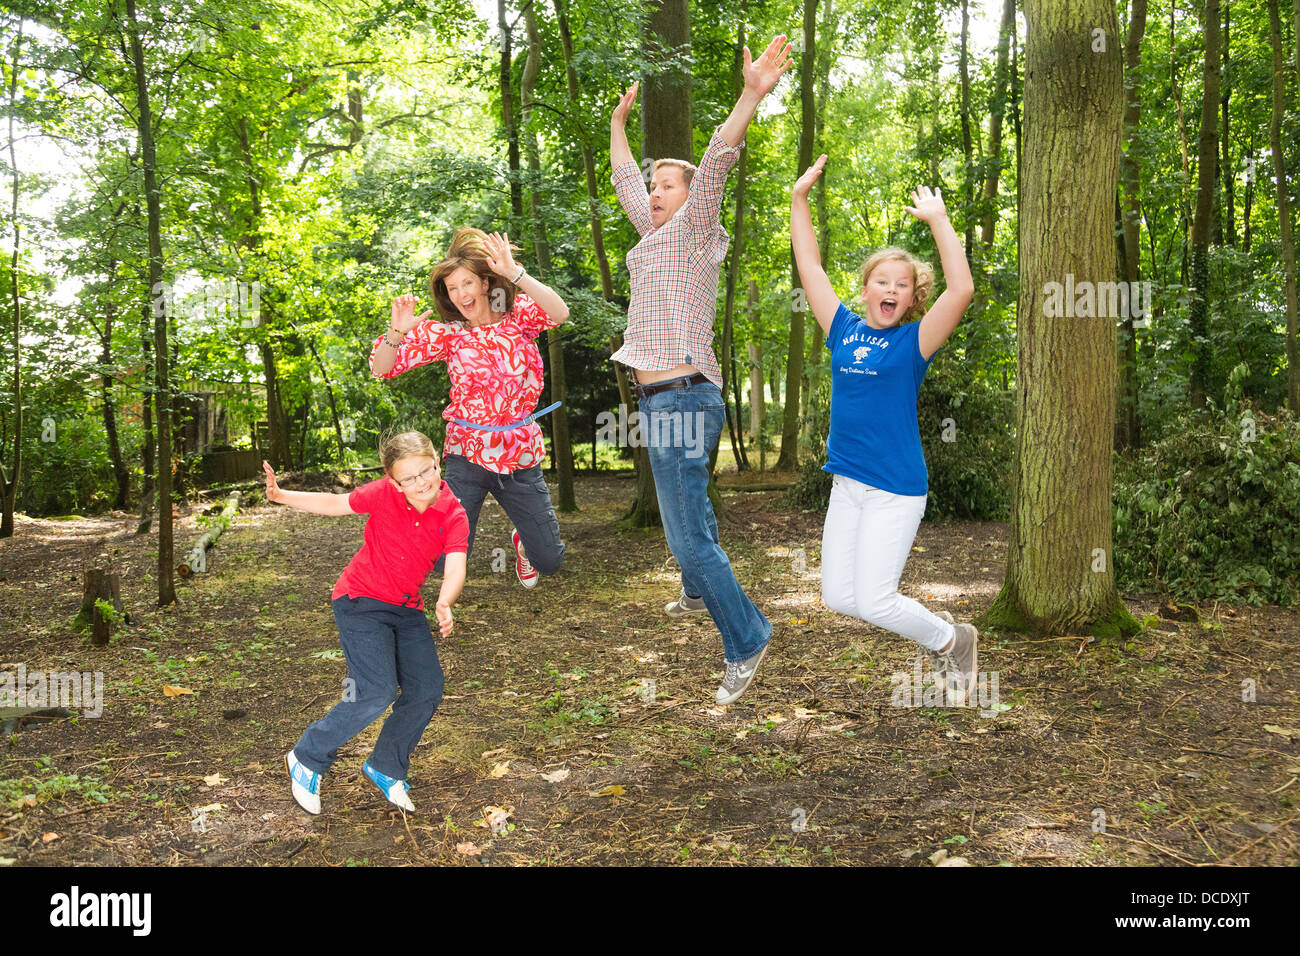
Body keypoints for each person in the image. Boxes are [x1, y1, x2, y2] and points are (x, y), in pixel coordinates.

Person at [609, 34, 792, 705]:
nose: (654, 193)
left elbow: (715, 162)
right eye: (653, 187)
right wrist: (617, 127)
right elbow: (626, 179)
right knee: (686, 523)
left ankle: (746, 637)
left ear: (690, 199)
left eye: (666, 185)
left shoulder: (692, 233)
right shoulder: (652, 235)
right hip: (661, 400)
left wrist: (750, 94)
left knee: (686, 535)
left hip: (683, 399)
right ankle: (695, 586)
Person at [790, 153, 979, 702]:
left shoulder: (913, 342)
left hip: (896, 488)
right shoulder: (842, 327)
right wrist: (799, 199)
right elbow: (810, 267)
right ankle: (944, 635)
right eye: (881, 280)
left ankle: (952, 641)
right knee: (838, 599)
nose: (891, 289)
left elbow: (961, 290)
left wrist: (939, 221)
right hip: (847, 484)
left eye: (903, 283)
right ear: (867, 288)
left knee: (874, 600)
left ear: (911, 296)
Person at [270, 430, 469, 814]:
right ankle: (307, 757)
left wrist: (445, 601)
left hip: (407, 608)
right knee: (375, 690)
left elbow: (456, 567)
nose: (420, 483)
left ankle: (385, 766)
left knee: (426, 689)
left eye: (425, 471)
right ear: (393, 481)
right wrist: (281, 496)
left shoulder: (453, 512)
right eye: (407, 478)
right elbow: (335, 503)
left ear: (437, 461)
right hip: (359, 600)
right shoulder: (383, 494)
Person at [370, 228, 569, 589]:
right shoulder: (449, 334)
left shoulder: (518, 318)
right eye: (452, 288)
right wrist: (396, 334)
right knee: (441, 559)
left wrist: (517, 274)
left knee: (550, 560)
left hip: (519, 453)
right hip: (468, 452)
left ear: (485, 283)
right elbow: (382, 367)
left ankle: (525, 544)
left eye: (467, 283)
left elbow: (560, 311)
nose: (460, 294)